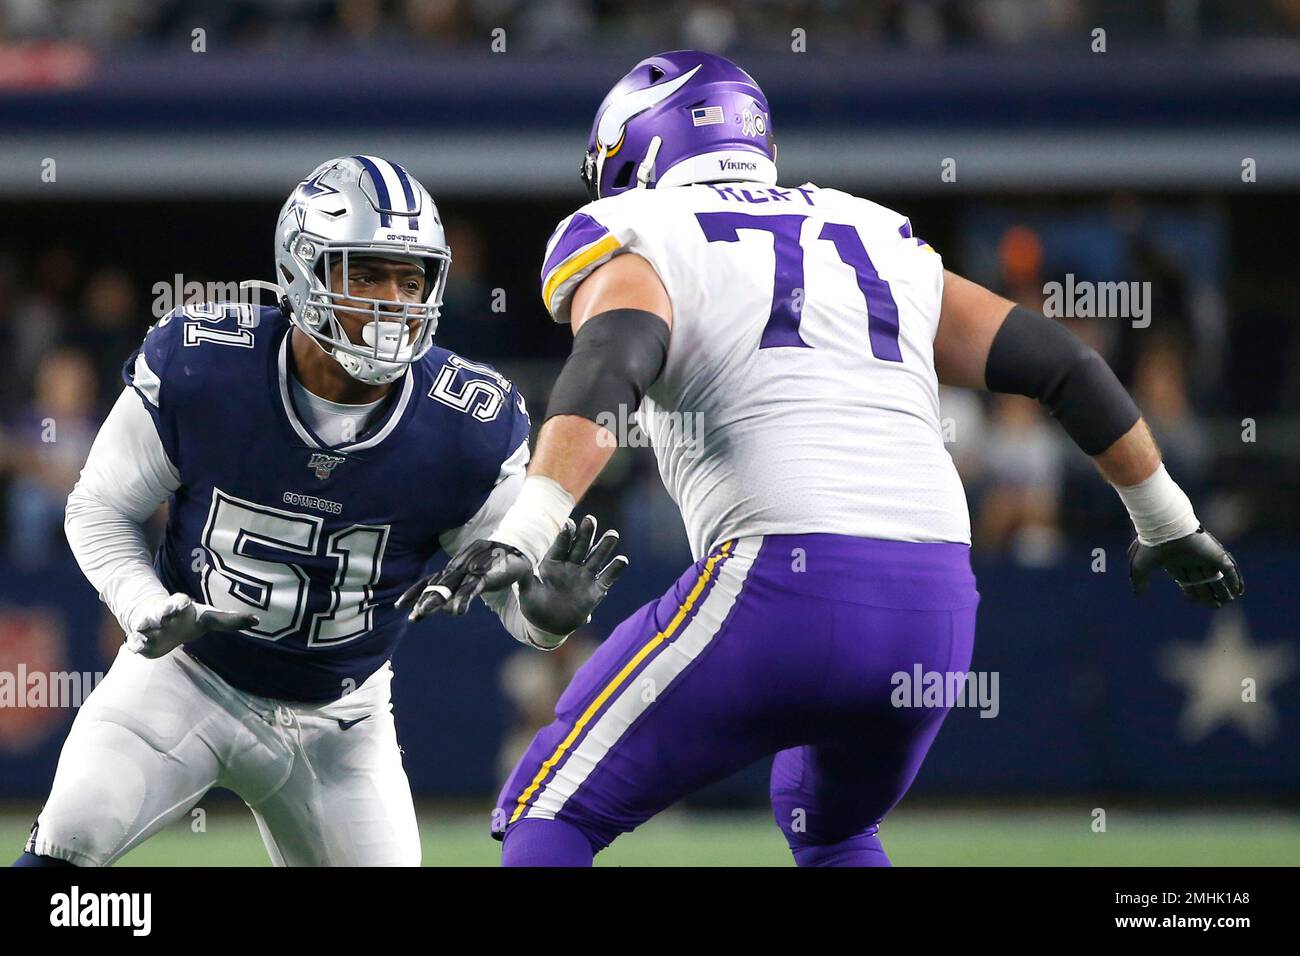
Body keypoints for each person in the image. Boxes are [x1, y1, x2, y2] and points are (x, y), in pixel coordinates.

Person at [403, 52, 1244, 867]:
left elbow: (613, 360)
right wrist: (1168, 521)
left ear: (635, 153)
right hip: (936, 607)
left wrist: (529, 526)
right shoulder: (873, 232)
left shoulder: (641, 229)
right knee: (830, 825)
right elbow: (1065, 365)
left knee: (550, 806)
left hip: (782, 583)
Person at [15, 155, 626, 867]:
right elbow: (99, 507)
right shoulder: (207, 365)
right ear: (301, 271)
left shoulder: (467, 424)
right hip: (183, 678)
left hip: (341, 720)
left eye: (411, 279)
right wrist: (142, 604)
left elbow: (499, 589)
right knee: (68, 846)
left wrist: (543, 618)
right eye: (366, 274)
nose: (393, 301)